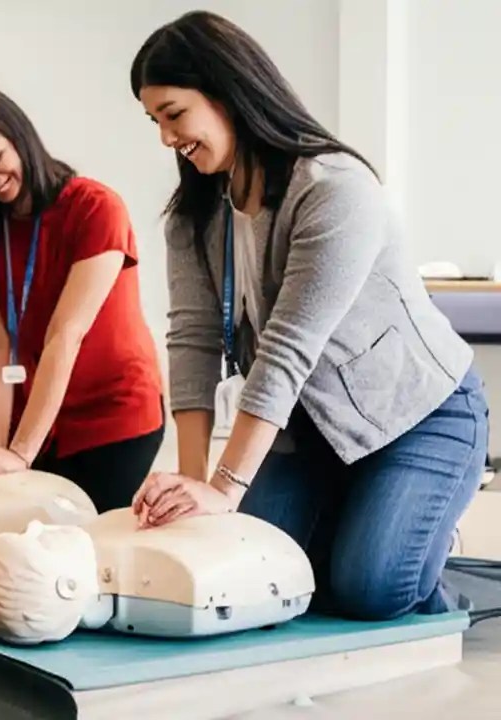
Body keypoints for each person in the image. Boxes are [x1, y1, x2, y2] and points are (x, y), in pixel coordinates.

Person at [129, 11, 489, 620]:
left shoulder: (334, 188)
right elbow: (191, 340)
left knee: (367, 588)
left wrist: (225, 488)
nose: (167, 138)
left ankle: (419, 541)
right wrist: (193, 491)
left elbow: (286, 350)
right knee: (257, 570)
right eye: (155, 122)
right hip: (311, 432)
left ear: (227, 93)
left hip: (417, 418)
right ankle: (368, 520)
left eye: (174, 114)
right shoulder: (194, 214)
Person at [0, 83, 165, 513]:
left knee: (79, 536)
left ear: (18, 136)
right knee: (13, 527)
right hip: (37, 418)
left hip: (111, 414)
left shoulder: (97, 208)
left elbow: (66, 334)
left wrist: (20, 453)